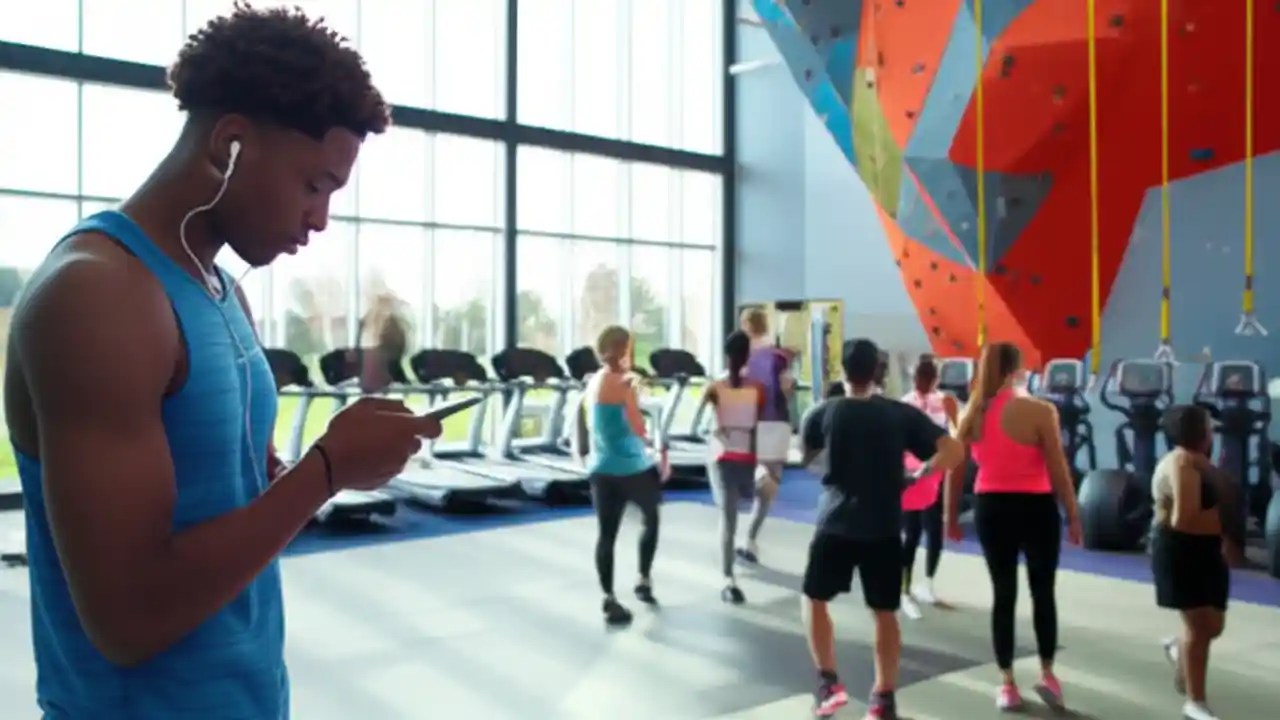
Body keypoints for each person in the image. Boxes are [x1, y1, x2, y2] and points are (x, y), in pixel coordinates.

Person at [2, 5, 442, 718]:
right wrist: (325, 472)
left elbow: (218, 500)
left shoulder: (221, 291)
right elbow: (128, 620)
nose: (321, 218)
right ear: (230, 145)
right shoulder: (98, 293)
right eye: (313, 185)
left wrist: (272, 479)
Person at [800, 339, 965, 719]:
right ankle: (883, 699)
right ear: (877, 371)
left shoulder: (823, 411)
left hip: (836, 523)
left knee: (814, 599)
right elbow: (953, 450)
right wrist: (921, 472)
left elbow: (804, 456)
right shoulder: (898, 414)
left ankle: (828, 683)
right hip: (883, 526)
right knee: (884, 612)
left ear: (841, 371)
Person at [944, 342, 1083, 713]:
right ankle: (1048, 673)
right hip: (1035, 508)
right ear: (1018, 369)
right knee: (1043, 591)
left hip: (992, 509)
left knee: (1003, 594)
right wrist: (1073, 513)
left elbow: (954, 469)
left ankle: (1006, 684)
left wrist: (949, 516)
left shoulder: (972, 413)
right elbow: (1058, 470)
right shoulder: (1039, 410)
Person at [575, 326, 667, 626]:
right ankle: (643, 578)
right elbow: (639, 429)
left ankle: (608, 597)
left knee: (606, 535)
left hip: (601, 470)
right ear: (624, 349)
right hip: (633, 467)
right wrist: (658, 449)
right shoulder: (625, 383)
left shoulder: (592, 383)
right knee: (651, 519)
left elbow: (587, 423)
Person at [1152, 405, 1229, 720]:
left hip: (1206, 549)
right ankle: (1195, 703)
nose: (1212, 431)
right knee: (1199, 628)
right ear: (1197, 432)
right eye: (1208, 425)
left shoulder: (1200, 463)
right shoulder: (1181, 461)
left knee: (1213, 625)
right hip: (1180, 550)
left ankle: (1177, 649)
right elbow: (1183, 519)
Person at [705, 330, 766, 604]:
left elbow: (758, 425)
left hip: (747, 458)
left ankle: (748, 542)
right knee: (729, 518)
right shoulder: (715, 387)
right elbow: (709, 421)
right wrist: (721, 433)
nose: (738, 359)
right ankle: (727, 577)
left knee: (763, 496)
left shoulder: (755, 388)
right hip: (724, 459)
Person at [898, 356, 959, 619]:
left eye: (927, 379)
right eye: (918, 379)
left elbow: (954, 434)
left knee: (934, 530)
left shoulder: (943, 402)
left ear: (934, 379)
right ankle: (904, 590)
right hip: (910, 474)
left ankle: (928, 583)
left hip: (934, 472)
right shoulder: (903, 405)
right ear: (913, 379)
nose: (922, 383)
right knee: (911, 533)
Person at [739, 308, 793, 563]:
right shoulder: (777, 356)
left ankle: (744, 535)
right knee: (770, 485)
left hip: (747, 423)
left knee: (754, 474)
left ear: (745, 326)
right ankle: (750, 538)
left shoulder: (740, 357)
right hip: (775, 423)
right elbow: (786, 388)